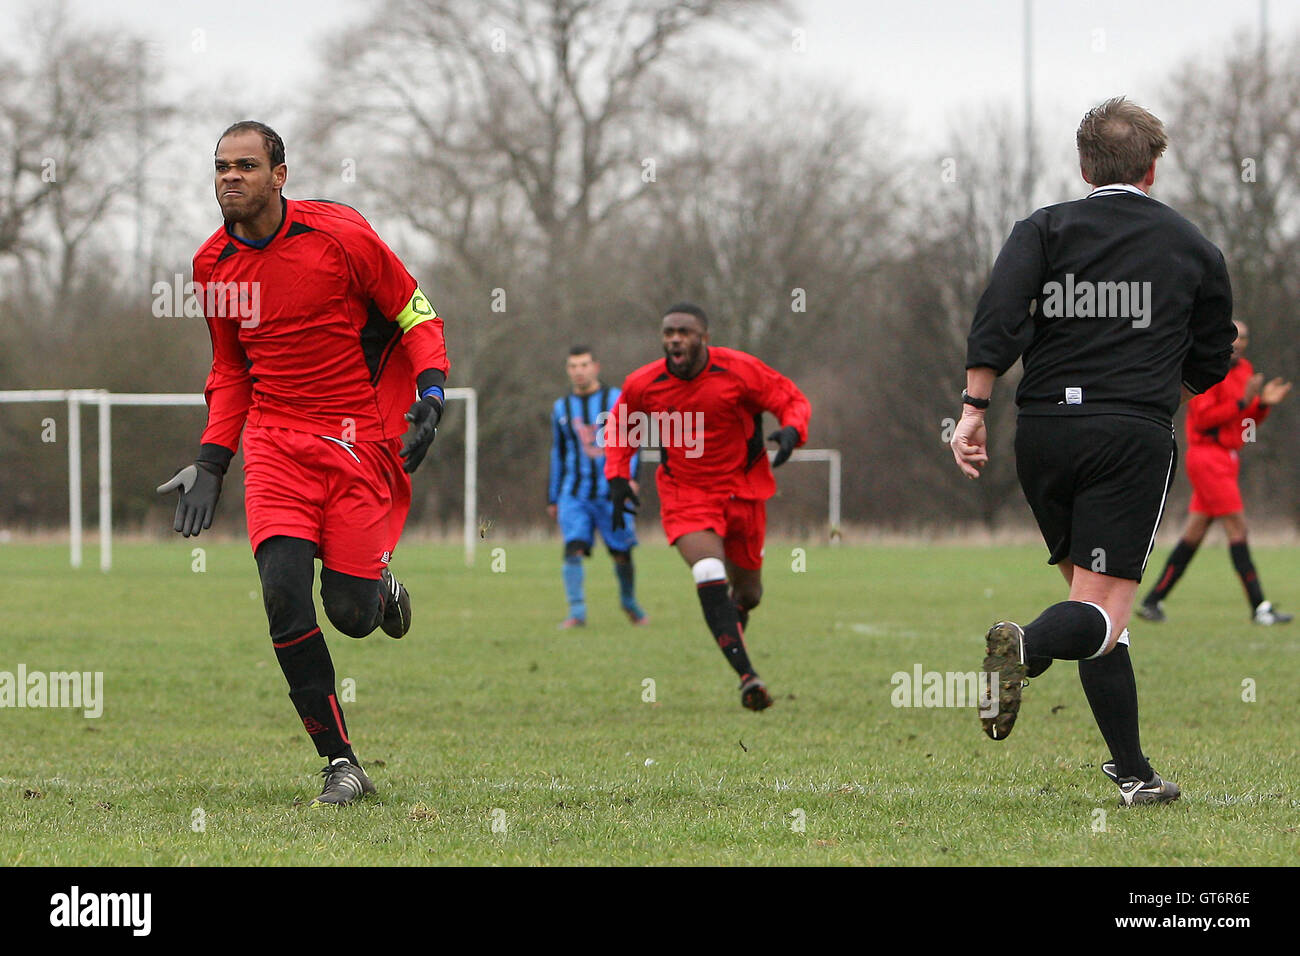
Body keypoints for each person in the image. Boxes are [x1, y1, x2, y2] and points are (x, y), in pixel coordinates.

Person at [950, 97, 1236, 805]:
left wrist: (974, 408)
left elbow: (999, 316)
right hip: (1128, 436)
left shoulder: (1043, 228)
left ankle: (1133, 774)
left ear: (1084, 166)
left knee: (1096, 606)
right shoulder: (1194, 247)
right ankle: (1026, 647)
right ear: (1153, 166)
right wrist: (1183, 372)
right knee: (1102, 612)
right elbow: (1212, 356)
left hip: (1041, 430)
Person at [157, 121, 449, 807]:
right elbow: (230, 369)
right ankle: (340, 762)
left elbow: (415, 312)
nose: (230, 177)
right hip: (275, 445)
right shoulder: (212, 265)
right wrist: (212, 460)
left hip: (355, 444)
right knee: (283, 595)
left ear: (280, 175)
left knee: (349, 614)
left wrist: (432, 392)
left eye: (246, 166)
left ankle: (379, 589)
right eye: (222, 166)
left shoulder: (341, 236)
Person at [604, 303, 811, 711]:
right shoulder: (644, 382)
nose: (674, 339)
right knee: (707, 568)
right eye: (668, 332)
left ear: (704, 336)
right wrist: (615, 476)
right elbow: (620, 426)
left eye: (684, 331)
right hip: (686, 494)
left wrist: (792, 429)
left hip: (744, 492)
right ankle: (748, 677)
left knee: (749, 595)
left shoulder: (739, 370)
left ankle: (730, 623)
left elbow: (790, 398)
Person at [1139, 320, 1292, 625]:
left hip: (1228, 458)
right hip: (1207, 457)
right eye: (1234, 336)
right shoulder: (1209, 368)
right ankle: (1260, 607)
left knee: (1194, 534)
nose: (1239, 342)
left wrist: (1261, 406)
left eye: (1245, 337)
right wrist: (1242, 402)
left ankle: (1152, 601)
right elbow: (1205, 418)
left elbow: (1245, 427)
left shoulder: (1246, 371)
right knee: (1238, 528)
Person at [547, 345, 647, 628]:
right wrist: (553, 496)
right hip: (574, 493)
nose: (579, 371)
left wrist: (632, 478)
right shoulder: (561, 408)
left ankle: (629, 602)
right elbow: (559, 452)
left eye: (584, 365)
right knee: (574, 547)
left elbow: (632, 440)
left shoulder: (615, 399)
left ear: (596, 367)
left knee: (620, 552)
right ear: (568, 370)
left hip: (612, 491)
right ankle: (577, 613)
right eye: (573, 366)